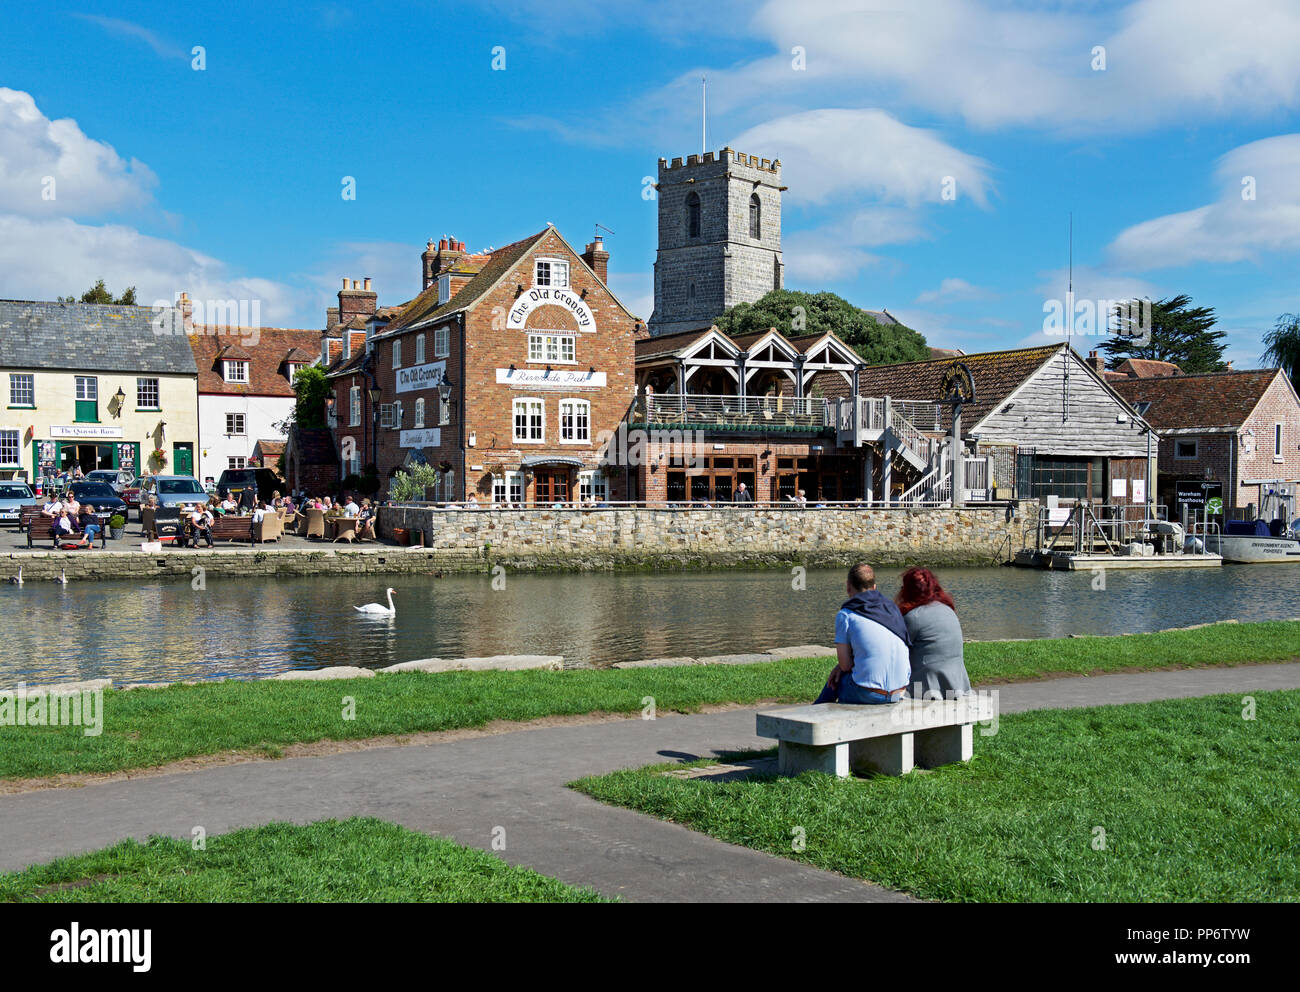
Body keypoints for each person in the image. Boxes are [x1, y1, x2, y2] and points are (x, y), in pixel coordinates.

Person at [815, 562, 911, 705]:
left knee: (837, 679)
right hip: (900, 691)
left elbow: (845, 665)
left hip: (868, 694)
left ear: (848, 586)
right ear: (874, 587)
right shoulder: (892, 610)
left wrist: (839, 668)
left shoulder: (846, 615)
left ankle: (815, 712)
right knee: (842, 673)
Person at [896, 567, 971, 700]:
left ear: (907, 591)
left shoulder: (914, 617)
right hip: (957, 685)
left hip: (927, 689)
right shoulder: (948, 611)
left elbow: (897, 654)